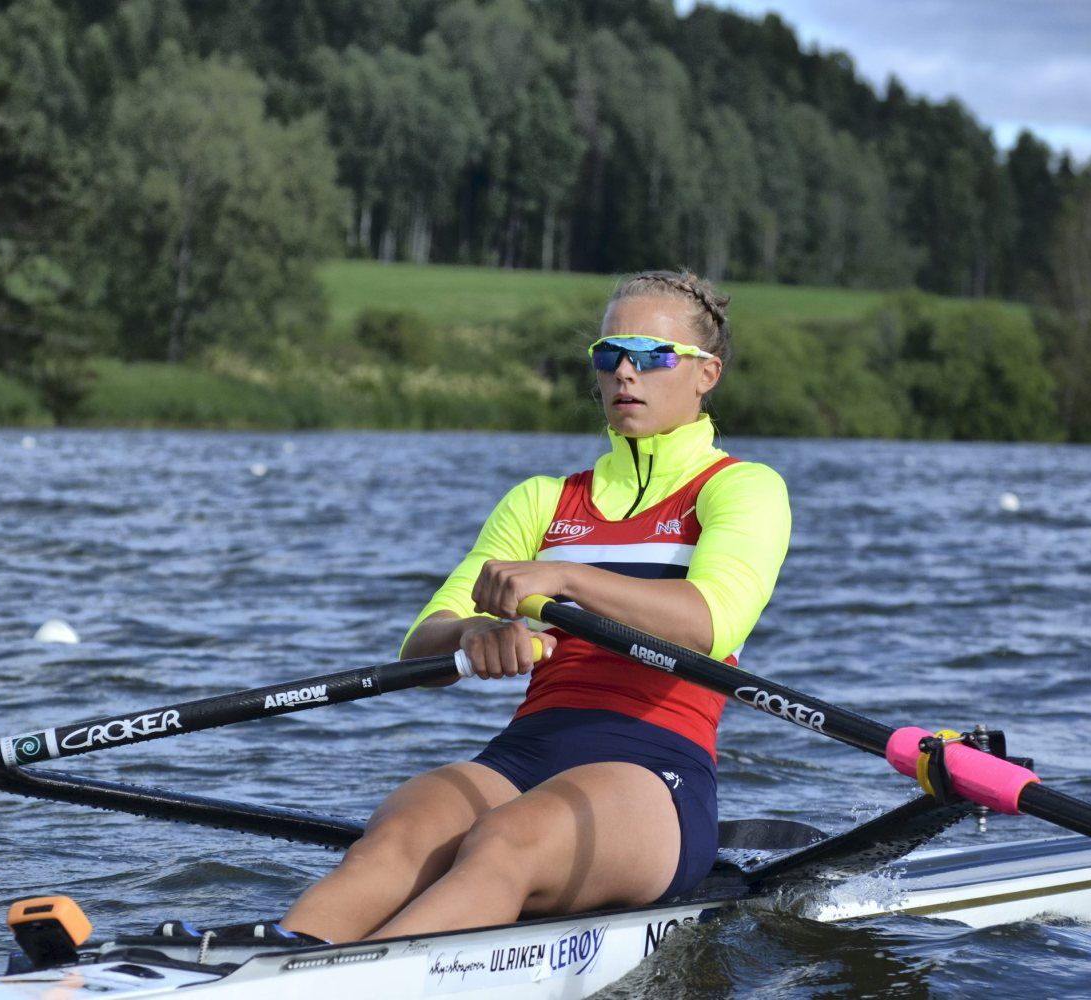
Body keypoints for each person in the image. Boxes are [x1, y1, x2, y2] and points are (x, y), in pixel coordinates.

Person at [282, 270, 791, 943]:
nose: (624, 374)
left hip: (654, 775)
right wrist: (478, 633)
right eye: (608, 355)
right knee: (398, 833)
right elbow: (423, 644)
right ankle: (247, 977)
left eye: (651, 356)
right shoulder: (540, 500)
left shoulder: (739, 490)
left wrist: (562, 577)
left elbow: (706, 622)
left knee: (506, 841)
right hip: (523, 754)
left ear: (706, 374)